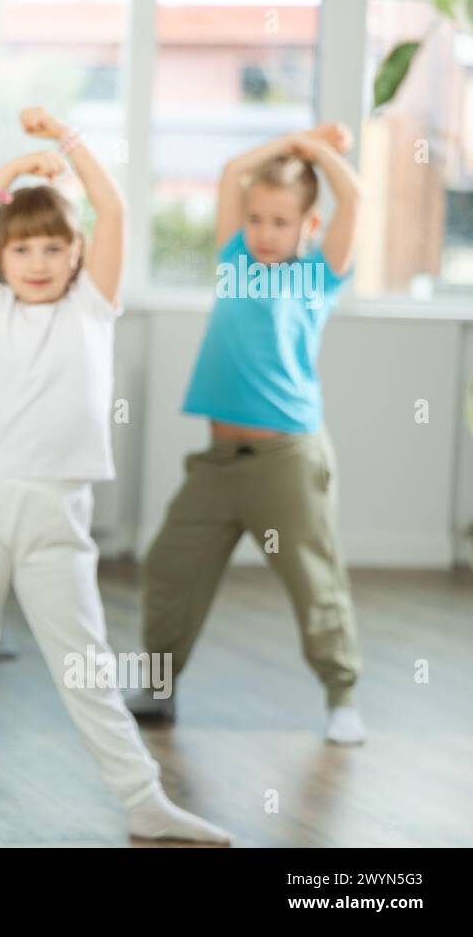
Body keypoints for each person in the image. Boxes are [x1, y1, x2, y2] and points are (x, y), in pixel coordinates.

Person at [0, 106, 231, 845]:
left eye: (55, 246)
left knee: (87, 666)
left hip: (60, 511)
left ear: (77, 251)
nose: (39, 260)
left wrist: (65, 140)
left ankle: (143, 800)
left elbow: (115, 205)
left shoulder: (94, 306)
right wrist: (15, 173)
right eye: (22, 247)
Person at [127, 123, 366, 748]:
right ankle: (158, 686)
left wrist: (317, 154)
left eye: (281, 221)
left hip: (287, 460)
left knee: (315, 581)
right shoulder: (234, 261)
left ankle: (342, 695)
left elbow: (357, 201)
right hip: (218, 463)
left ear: (308, 226)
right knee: (170, 564)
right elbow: (234, 170)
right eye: (257, 218)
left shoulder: (320, 276)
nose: (264, 231)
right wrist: (293, 138)